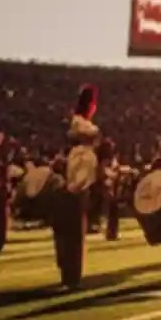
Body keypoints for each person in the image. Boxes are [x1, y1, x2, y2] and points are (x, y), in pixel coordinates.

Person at [59, 85, 100, 289]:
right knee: (74, 228)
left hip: (83, 174)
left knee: (77, 228)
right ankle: (71, 274)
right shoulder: (79, 123)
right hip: (78, 175)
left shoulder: (82, 123)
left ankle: (72, 273)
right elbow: (88, 134)